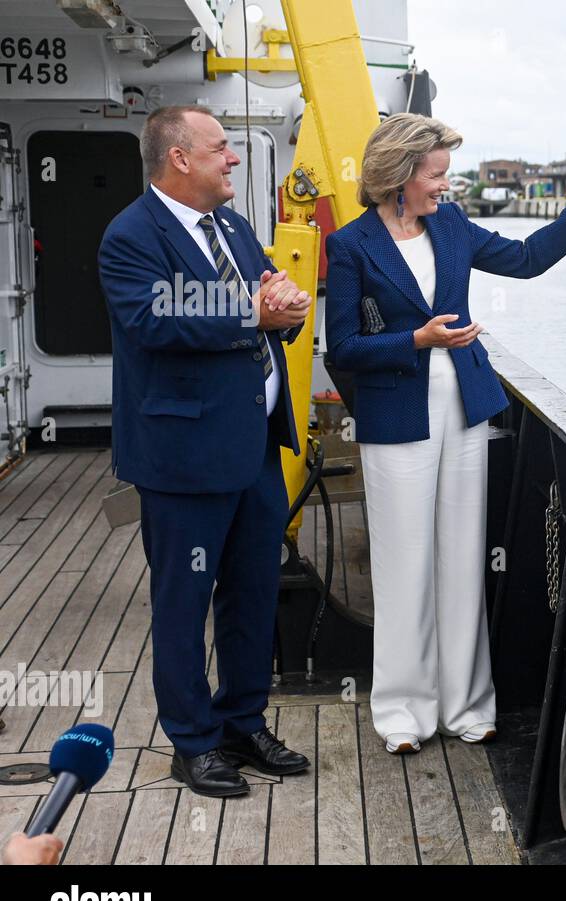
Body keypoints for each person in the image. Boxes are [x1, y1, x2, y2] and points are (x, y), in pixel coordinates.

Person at [324, 114, 566, 753]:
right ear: (400, 176)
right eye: (439, 173)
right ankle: (402, 714)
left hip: (466, 411)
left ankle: (469, 705)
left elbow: (526, 260)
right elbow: (343, 344)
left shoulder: (449, 226)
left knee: (462, 558)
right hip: (397, 418)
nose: (448, 184)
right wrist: (417, 340)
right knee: (404, 563)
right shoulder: (353, 245)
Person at [98, 105, 313, 797]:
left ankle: (242, 720)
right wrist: (254, 310)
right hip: (183, 458)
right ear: (181, 158)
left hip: (252, 448)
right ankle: (192, 742)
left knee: (253, 593)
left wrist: (286, 295)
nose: (234, 158)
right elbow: (156, 315)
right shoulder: (130, 237)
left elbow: (268, 284)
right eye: (222, 147)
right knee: (184, 602)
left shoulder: (235, 227)